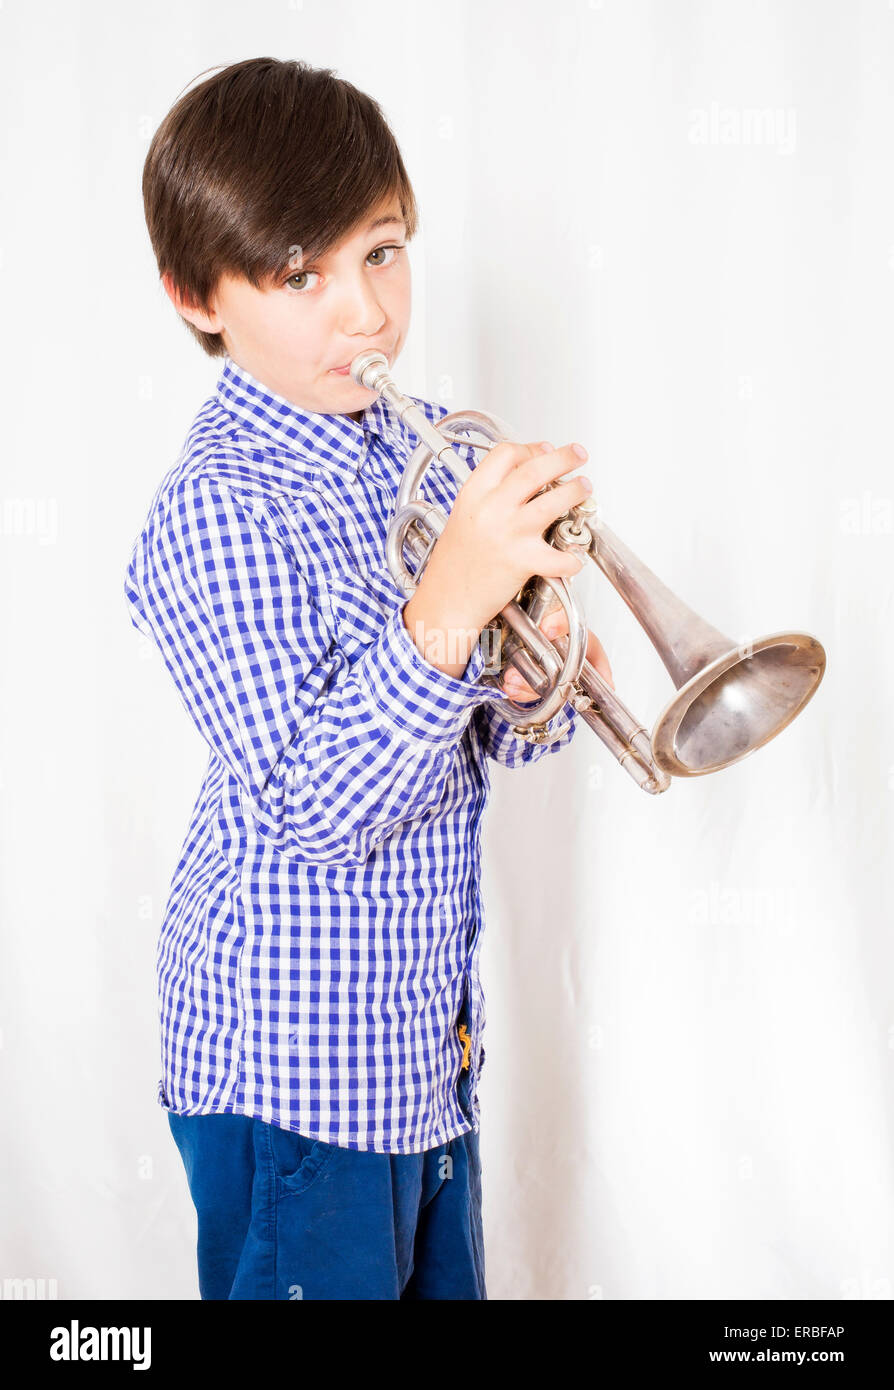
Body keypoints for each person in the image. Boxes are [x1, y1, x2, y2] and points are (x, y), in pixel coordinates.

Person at [125, 56, 613, 1301]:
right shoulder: (216, 509)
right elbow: (315, 807)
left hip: (419, 1044)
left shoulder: (420, 444)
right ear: (199, 297)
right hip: (292, 1071)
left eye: (383, 251)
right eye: (302, 274)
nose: (366, 313)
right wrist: (450, 603)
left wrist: (544, 670)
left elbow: (489, 743)